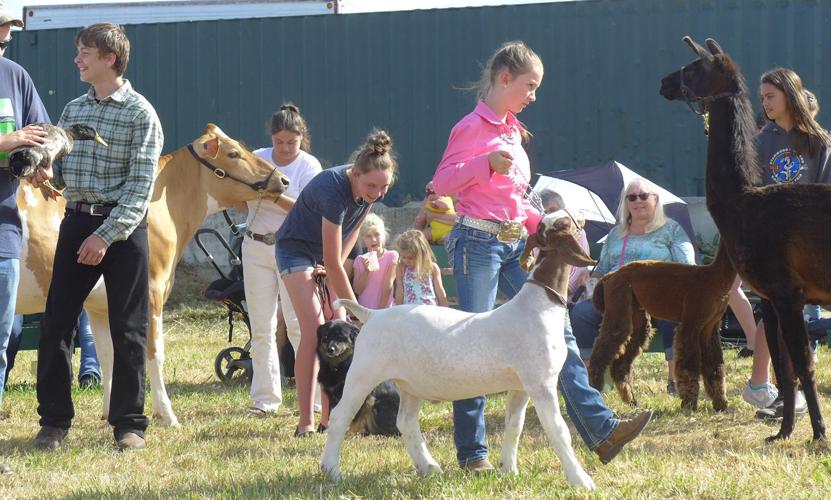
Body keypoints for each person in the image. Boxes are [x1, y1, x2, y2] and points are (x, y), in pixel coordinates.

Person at [432, 40, 652, 472]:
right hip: (476, 243)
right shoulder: (470, 128)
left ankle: (602, 431)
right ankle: (472, 453)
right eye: (530, 86)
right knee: (470, 341)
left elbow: (515, 195)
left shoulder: (512, 131)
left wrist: (548, 222)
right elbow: (441, 183)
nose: (534, 95)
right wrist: (484, 166)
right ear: (504, 78)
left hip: (518, 244)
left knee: (560, 334)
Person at [29, 23, 164, 451]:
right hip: (76, 224)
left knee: (129, 329)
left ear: (110, 58)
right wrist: (45, 173)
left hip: (122, 232)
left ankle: (129, 425)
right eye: (78, 52)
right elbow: (63, 172)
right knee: (55, 325)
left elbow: (140, 190)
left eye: (85, 52)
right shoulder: (71, 110)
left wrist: (104, 237)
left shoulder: (141, 114)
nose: (77, 59)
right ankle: (54, 423)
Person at [276, 129, 396, 437]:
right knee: (316, 330)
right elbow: (330, 262)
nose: (377, 193)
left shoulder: (369, 191)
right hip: (295, 250)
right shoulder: (333, 190)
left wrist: (335, 274)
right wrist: (358, 311)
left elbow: (353, 230)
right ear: (354, 174)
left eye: (384, 187)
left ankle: (332, 419)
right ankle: (305, 422)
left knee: (340, 328)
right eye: (371, 185)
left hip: (324, 254)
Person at [743, 70, 830, 420]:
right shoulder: (761, 142)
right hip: (772, 248)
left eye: (770, 96)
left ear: (790, 96)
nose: (764, 103)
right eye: (762, 97)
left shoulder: (818, 142)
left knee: (798, 320)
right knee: (779, 320)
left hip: (810, 248)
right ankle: (786, 394)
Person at [571, 177, 696, 394]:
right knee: (581, 314)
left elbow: (687, 266)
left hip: (658, 299)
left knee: (675, 316)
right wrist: (589, 277)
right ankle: (595, 382)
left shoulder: (671, 230)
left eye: (643, 196)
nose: (638, 201)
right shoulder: (616, 234)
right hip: (617, 301)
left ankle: (676, 381)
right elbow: (602, 270)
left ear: (655, 200)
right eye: (632, 197)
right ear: (626, 203)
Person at [241, 103, 321, 416]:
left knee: (301, 325)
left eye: (292, 142)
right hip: (256, 247)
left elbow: (304, 211)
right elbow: (239, 197)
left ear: (302, 139)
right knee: (262, 326)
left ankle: (312, 401)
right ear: (271, 139)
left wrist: (272, 195)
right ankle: (265, 400)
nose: (285, 148)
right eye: (279, 142)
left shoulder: (309, 166)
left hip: (293, 249)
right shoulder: (257, 159)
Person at [0, 1, 50, 474]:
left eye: (10, 26)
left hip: (3, 233)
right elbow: (18, 137)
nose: (7, 34)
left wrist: (42, 160)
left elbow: (44, 133)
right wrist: (9, 142)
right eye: (1, 26)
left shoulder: (16, 75)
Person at [538, 189, 590, 305]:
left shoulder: (578, 232)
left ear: (563, 210)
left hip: (571, 298)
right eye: (544, 212)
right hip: (541, 296)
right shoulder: (538, 238)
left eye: (553, 210)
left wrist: (559, 291)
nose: (549, 215)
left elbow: (580, 268)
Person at [353, 213, 398, 309]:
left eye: (377, 234)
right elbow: (357, 290)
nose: (373, 239)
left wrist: (379, 312)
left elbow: (388, 286)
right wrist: (366, 271)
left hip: (385, 310)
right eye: (368, 236)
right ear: (363, 239)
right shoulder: (359, 260)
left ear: (384, 236)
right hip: (365, 311)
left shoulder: (392, 256)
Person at [394, 229, 448, 306]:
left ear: (422, 254)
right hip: (409, 310)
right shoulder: (401, 268)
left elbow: (440, 293)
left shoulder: (432, 268)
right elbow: (399, 291)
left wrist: (445, 310)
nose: (406, 261)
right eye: (403, 257)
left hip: (429, 309)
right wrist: (398, 310)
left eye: (410, 258)